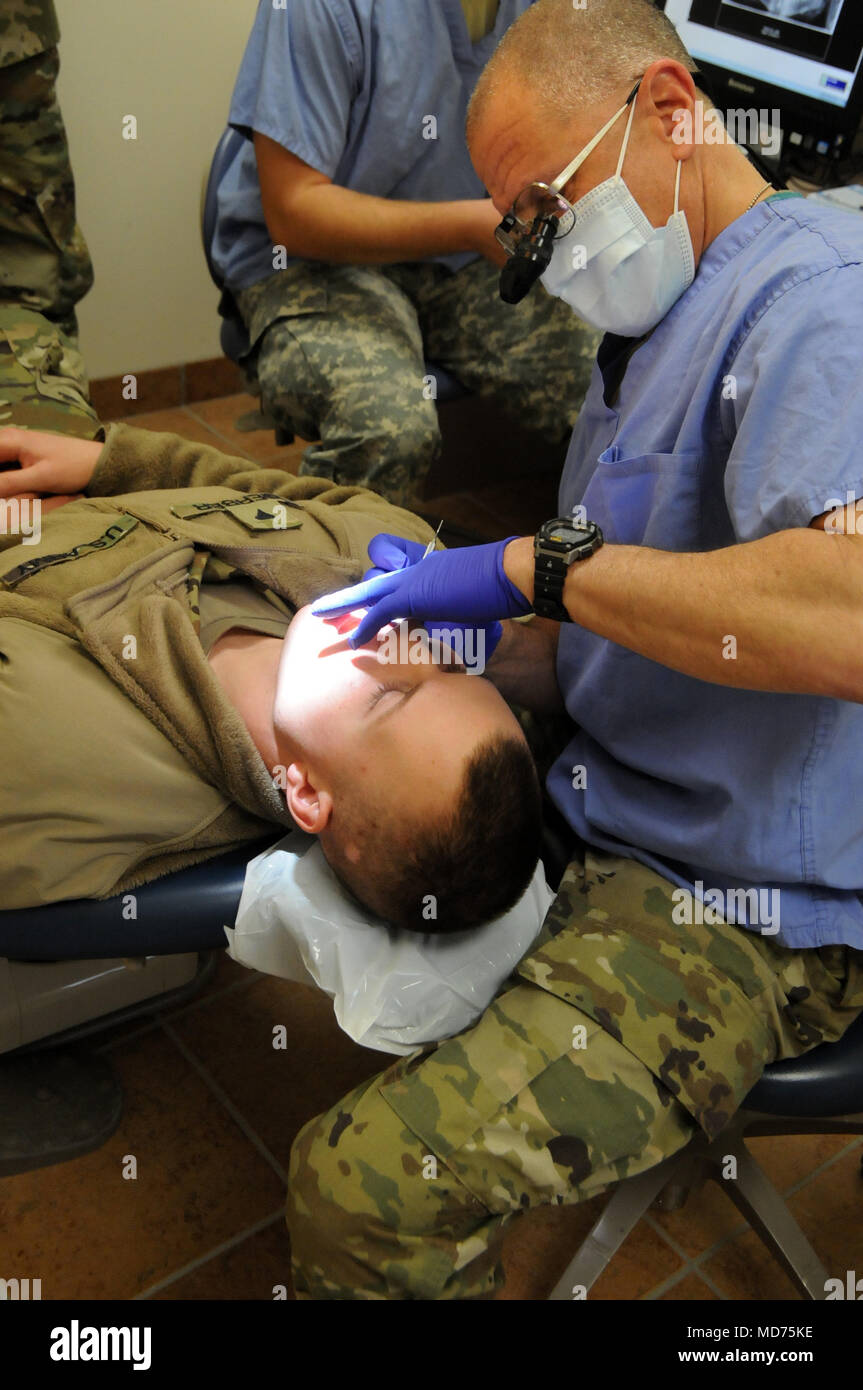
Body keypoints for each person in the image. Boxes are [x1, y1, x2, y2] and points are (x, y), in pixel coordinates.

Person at [276, 0, 863, 1298]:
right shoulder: (643, 340)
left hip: (744, 901)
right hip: (632, 792)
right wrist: (478, 645)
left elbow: (847, 616)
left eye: (545, 207)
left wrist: (524, 568)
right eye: (521, 230)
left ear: (665, 107)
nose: (540, 251)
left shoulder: (818, 303)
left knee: (356, 1198)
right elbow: (647, 634)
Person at [0, 416, 544, 931]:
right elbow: (257, 487)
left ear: (305, 792)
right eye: (455, 661)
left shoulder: (57, 757)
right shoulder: (398, 558)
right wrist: (112, 463)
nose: (410, 641)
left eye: (386, 695)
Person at [209, 0, 603, 509]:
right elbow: (294, 212)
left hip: (468, 249)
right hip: (314, 262)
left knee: (621, 383)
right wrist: (471, 225)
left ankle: (614, 573)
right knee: (386, 431)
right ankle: (331, 574)